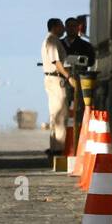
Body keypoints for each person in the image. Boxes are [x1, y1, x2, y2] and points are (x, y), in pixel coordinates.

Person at [41, 17, 72, 155]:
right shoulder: (53, 40)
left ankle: (54, 147)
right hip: (56, 80)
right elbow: (57, 62)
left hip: (51, 79)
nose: (64, 29)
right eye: (61, 26)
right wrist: (69, 76)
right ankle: (59, 149)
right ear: (55, 27)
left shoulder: (49, 40)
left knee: (54, 115)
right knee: (61, 114)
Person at [62, 16, 95, 138]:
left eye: (74, 27)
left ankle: (79, 135)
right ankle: (64, 138)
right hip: (63, 81)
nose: (71, 29)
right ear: (65, 28)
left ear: (78, 28)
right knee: (62, 110)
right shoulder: (60, 44)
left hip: (79, 81)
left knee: (79, 110)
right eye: (69, 26)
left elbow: (91, 61)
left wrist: (78, 61)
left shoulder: (85, 46)